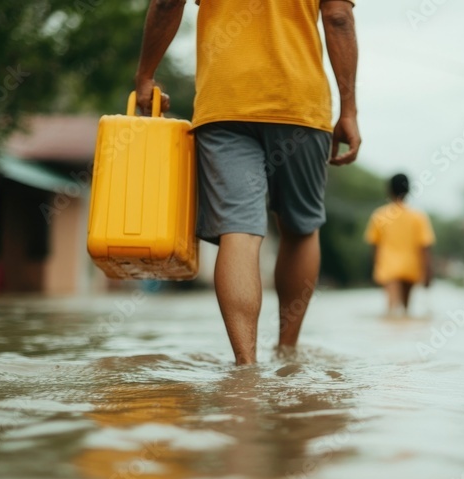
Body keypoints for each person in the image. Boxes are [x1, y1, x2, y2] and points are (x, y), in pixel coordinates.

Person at [133, 0, 361, 365]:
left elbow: (166, 3)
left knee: (237, 230)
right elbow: (337, 17)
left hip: (226, 103)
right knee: (301, 229)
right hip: (299, 104)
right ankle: (287, 349)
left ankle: (245, 366)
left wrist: (146, 75)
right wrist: (348, 109)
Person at [364, 174, 435, 316]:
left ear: (389, 190)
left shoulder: (379, 215)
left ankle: (392, 336)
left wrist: (376, 267)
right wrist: (428, 273)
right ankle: (406, 336)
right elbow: (425, 247)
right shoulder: (418, 217)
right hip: (411, 267)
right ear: (408, 190)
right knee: (406, 310)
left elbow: (374, 246)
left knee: (392, 310)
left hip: (389, 267)